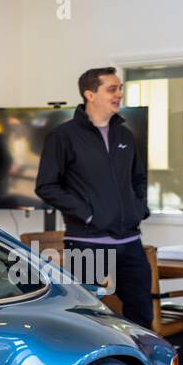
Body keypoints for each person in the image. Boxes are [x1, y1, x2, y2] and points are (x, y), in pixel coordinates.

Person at [35, 67, 153, 328]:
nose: (119, 94)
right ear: (90, 94)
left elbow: (138, 178)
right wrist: (89, 214)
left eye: (120, 88)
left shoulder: (125, 135)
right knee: (89, 320)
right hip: (87, 244)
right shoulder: (63, 137)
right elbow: (46, 186)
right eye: (112, 89)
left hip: (131, 243)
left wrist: (138, 209)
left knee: (142, 317)